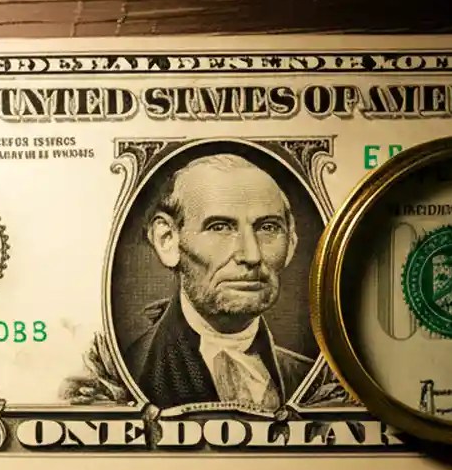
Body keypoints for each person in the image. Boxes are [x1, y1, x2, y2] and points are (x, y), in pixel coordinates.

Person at [124, 152, 313, 410]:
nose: (252, 255)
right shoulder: (128, 375)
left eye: (268, 227)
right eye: (220, 227)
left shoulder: (310, 378)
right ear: (167, 239)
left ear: (291, 243)